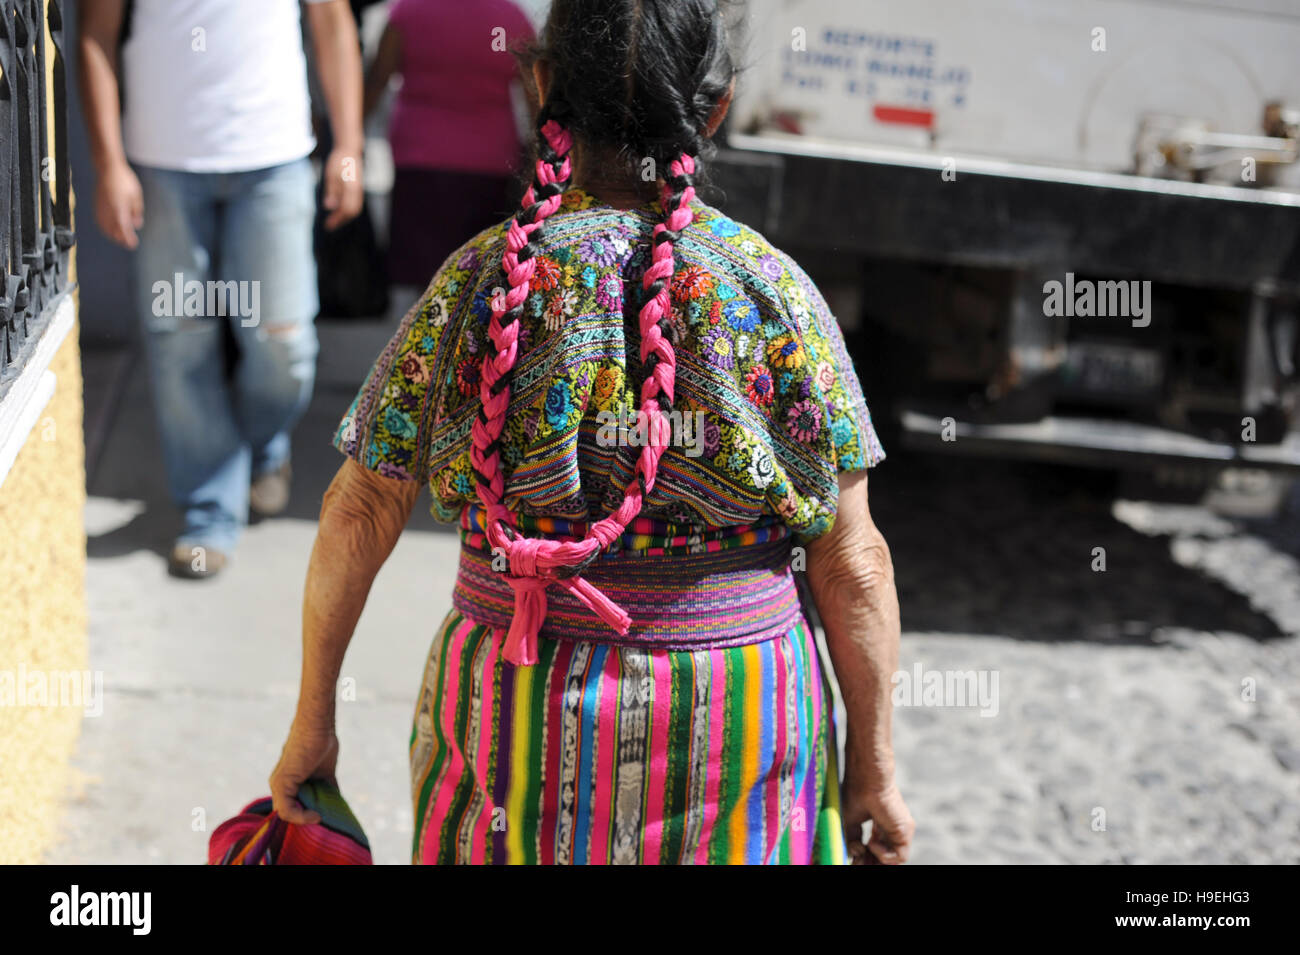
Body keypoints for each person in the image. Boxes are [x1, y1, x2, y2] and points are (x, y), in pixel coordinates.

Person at [271, 0, 914, 865]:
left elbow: (359, 512)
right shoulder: (775, 293)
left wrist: (313, 722)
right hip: (738, 728)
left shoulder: (477, 281)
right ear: (713, 108)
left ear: (541, 88)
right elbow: (854, 563)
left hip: (509, 714)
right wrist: (872, 771)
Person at [77, 0, 365, 578]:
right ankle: (210, 510)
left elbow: (332, 22)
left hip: (275, 158)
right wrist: (109, 164)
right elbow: (94, 34)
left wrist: (350, 148)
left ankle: (261, 450)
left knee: (283, 342)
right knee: (180, 342)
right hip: (163, 165)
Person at [363, 0, 535, 306]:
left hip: (420, 158)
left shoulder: (408, 11)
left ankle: (425, 343)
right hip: (490, 162)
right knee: (480, 271)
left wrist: (348, 138)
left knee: (425, 276)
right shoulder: (510, 17)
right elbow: (534, 92)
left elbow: (378, 78)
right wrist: (543, 156)